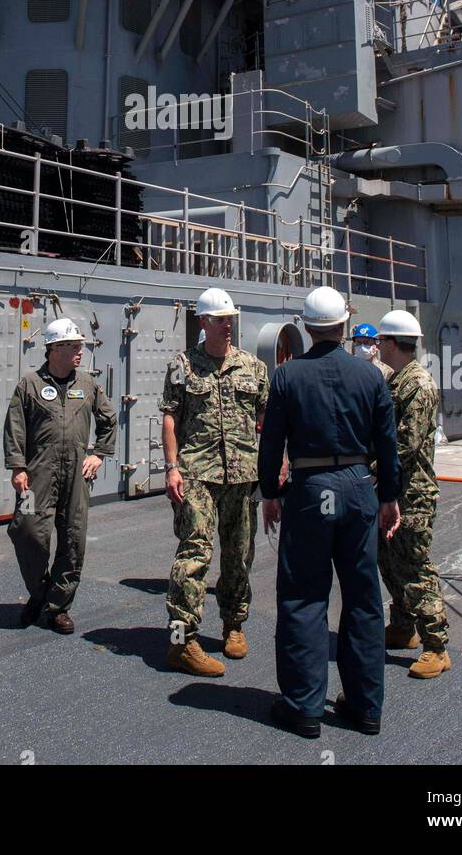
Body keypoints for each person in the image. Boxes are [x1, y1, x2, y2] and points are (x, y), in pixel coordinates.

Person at [259, 286, 401, 739]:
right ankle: (366, 709)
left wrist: (270, 492)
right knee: (363, 599)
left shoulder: (286, 376)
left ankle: (304, 708)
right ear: (343, 326)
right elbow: (388, 446)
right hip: (359, 488)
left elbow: (271, 443)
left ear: (305, 326)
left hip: (309, 489)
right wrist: (388, 497)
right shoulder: (372, 376)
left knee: (303, 597)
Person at [161, 287, 269, 677]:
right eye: (221, 319)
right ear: (203, 322)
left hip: (241, 476)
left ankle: (233, 625)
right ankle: (181, 642)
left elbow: (266, 421)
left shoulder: (254, 368)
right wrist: (171, 467)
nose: (228, 325)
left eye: (230, 319)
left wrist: (276, 466)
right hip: (196, 475)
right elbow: (170, 418)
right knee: (194, 555)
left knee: (238, 555)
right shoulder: (182, 366)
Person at [3, 317, 117, 634]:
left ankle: (58, 607)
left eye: (80, 345)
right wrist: (17, 467)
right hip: (36, 474)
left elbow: (109, 420)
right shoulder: (29, 385)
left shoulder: (88, 385)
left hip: (76, 475)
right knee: (26, 531)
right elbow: (15, 427)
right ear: (54, 349)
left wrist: (98, 455)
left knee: (73, 539)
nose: (80, 350)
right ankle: (40, 594)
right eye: (73, 345)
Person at [375, 309, 451, 679]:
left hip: (413, 494)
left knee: (415, 566)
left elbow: (405, 443)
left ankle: (435, 645)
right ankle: (403, 626)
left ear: (392, 343)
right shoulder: (397, 380)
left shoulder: (418, 385)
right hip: (393, 489)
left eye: (380, 342)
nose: (376, 348)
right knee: (387, 560)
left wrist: (368, 470)